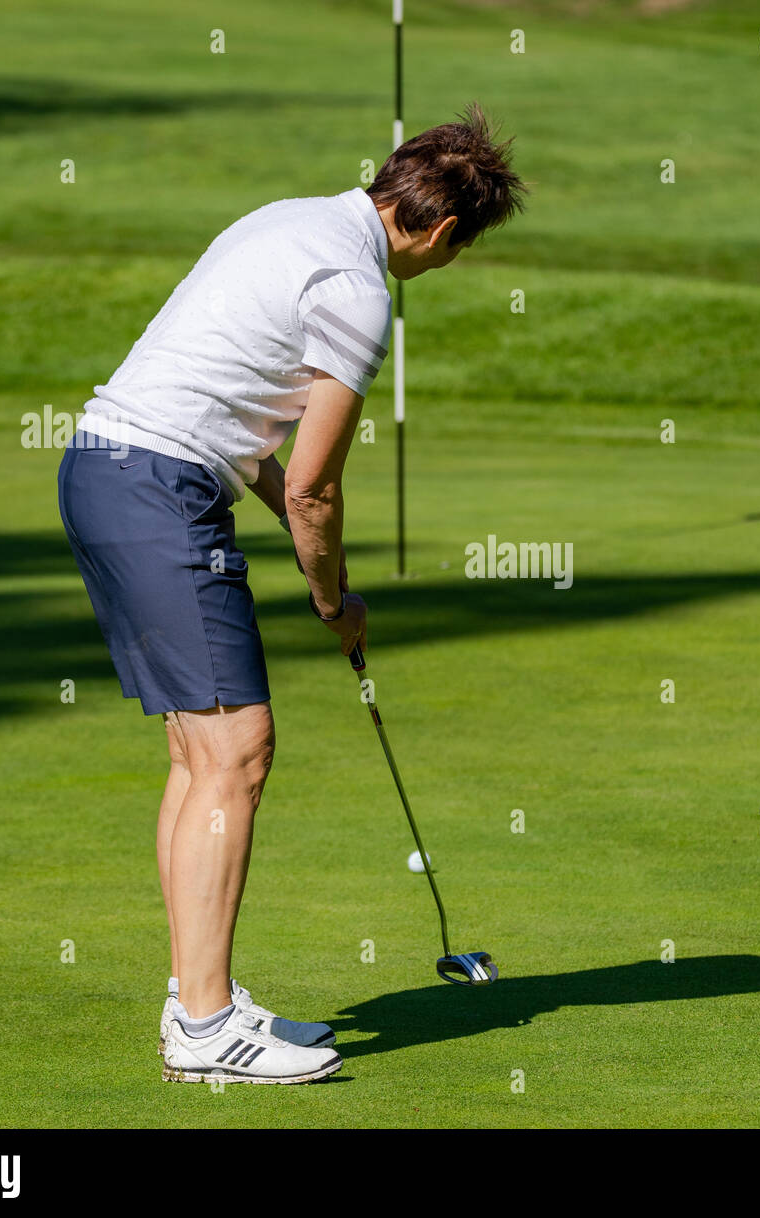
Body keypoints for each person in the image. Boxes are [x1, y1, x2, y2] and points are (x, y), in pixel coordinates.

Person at [57, 104, 525, 1084]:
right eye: (456, 251)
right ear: (440, 233)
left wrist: (315, 558)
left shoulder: (286, 220)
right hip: (156, 489)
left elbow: (259, 444)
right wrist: (331, 597)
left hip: (106, 471)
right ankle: (205, 1028)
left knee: (200, 754)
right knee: (239, 748)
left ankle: (199, 998)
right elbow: (313, 483)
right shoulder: (360, 288)